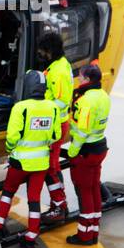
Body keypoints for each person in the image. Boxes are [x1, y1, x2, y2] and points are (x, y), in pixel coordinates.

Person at [0, 70, 59, 248]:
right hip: (41, 163)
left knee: (8, 193)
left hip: (20, 162)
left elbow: (12, 136)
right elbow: (56, 135)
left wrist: (10, 149)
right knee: (34, 199)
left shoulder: (21, 107)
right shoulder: (52, 108)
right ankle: (31, 237)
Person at [65, 63, 111, 246]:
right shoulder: (103, 96)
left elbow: (82, 131)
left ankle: (84, 236)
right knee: (93, 190)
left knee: (84, 192)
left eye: (81, 77)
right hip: (99, 147)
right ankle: (93, 231)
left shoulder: (85, 101)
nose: (79, 79)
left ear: (88, 79)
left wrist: (72, 151)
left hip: (85, 152)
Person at [36, 30, 74, 221]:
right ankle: (59, 203)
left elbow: (60, 101)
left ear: (49, 51)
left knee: (51, 167)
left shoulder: (57, 72)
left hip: (55, 126)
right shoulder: (59, 65)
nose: (40, 54)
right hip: (55, 124)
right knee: (52, 166)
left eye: (42, 51)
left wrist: (38, 107)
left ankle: (60, 205)